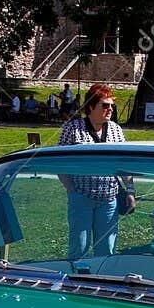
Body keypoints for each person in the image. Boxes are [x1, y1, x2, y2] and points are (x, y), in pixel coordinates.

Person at [57, 84, 134, 260]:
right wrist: (71, 190)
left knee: (106, 250)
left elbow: (124, 163)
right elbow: (59, 161)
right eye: (105, 105)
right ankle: (75, 282)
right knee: (79, 248)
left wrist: (130, 191)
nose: (110, 109)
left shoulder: (116, 130)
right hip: (81, 197)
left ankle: (103, 282)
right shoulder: (73, 128)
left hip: (109, 200)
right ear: (91, 106)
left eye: (112, 105)